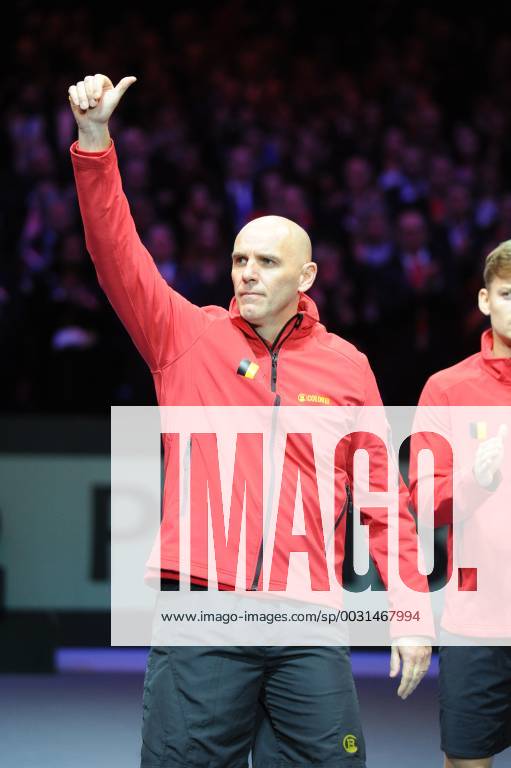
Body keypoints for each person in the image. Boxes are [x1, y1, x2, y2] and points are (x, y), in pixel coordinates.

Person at [68, 73, 432, 768]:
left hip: (307, 618)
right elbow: (116, 256)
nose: (247, 274)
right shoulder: (185, 338)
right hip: (203, 610)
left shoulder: (347, 366)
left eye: (267, 262)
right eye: (239, 259)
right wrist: (94, 143)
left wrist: (409, 613)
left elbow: (384, 501)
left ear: (307, 277)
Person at [410, 241, 511, 768]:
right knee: (467, 763)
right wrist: (476, 479)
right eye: (509, 293)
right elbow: (425, 501)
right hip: (479, 623)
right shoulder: (447, 389)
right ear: (485, 300)